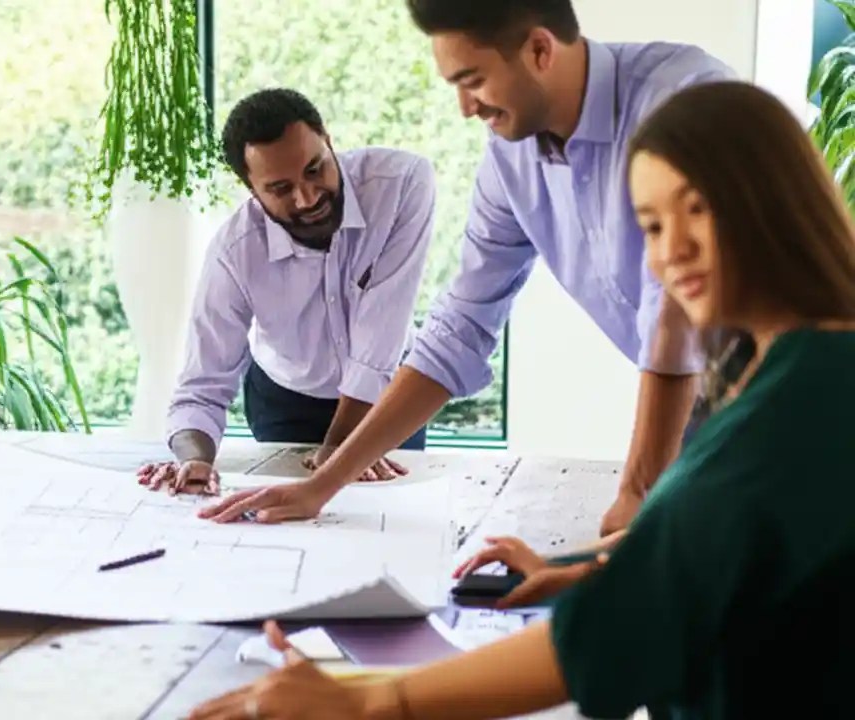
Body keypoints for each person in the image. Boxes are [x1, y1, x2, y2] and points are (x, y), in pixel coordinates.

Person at [187, 79, 855, 720]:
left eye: (697, 210)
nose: (669, 253)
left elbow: (612, 633)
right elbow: (726, 544)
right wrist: (591, 565)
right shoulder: (775, 371)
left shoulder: (806, 395)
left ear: (773, 197)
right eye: (651, 226)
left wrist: (365, 704)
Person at [199, 0, 736, 533]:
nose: (465, 107)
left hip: (772, 402)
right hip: (701, 420)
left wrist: (638, 494)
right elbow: (460, 328)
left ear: (539, 49)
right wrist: (324, 484)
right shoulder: (511, 159)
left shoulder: (681, 101)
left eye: (472, 81)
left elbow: (674, 318)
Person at [137, 88, 437, 495]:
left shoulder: (401, 184)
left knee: (389, 507)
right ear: (252, 190)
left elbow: (380, 334)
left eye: (315, 169)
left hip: (386, 396)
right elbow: (201, 387)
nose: (307, 198)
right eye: (280, 189)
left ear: (328, 141)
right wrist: (194, 461)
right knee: (294, 520)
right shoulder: (234, 252)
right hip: (286, 401)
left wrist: (341, 450)